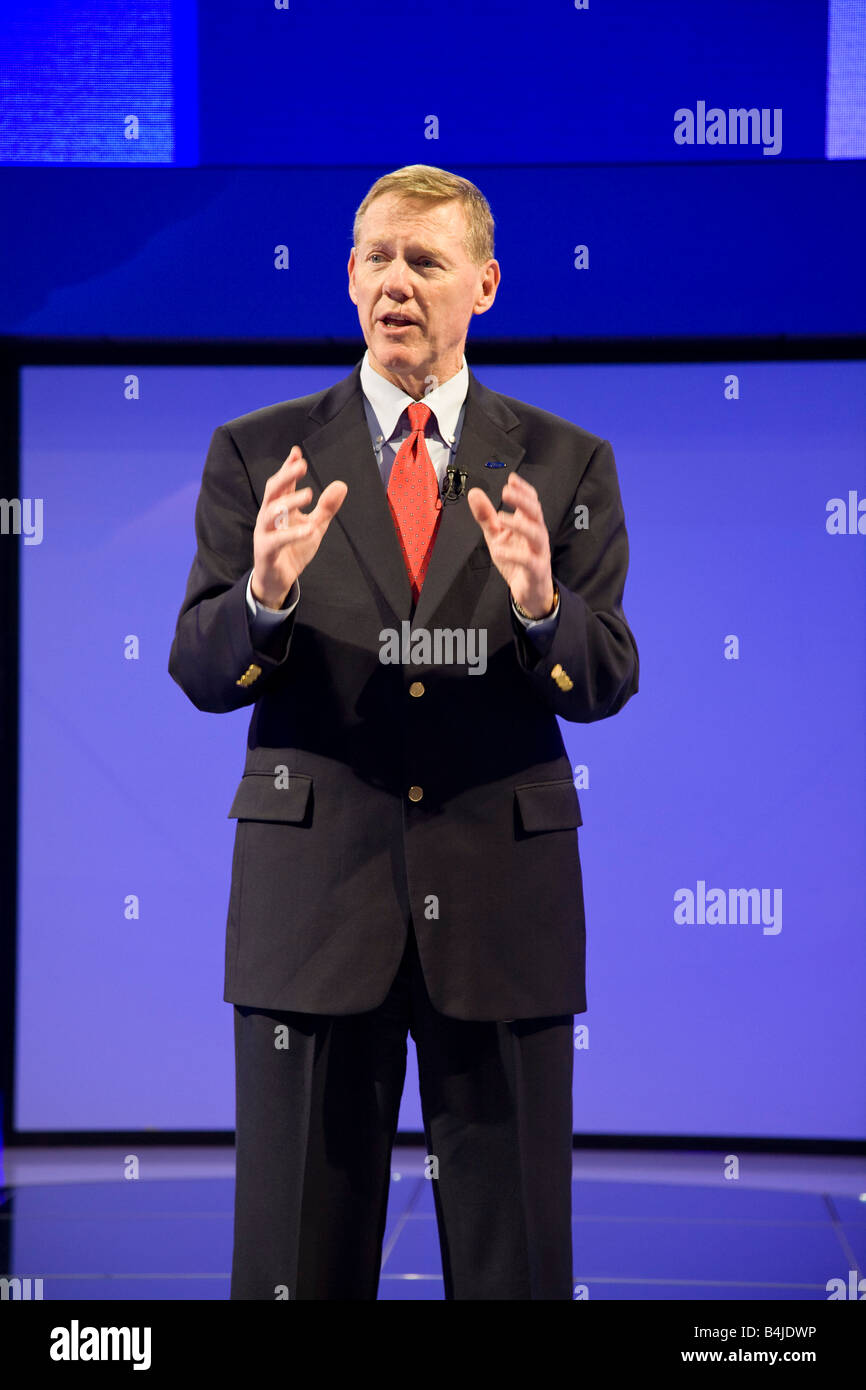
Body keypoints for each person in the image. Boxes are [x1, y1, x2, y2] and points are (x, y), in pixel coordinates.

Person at [168, 164, 639, 1300]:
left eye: (424, 261)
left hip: (499, 907)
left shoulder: (561, 464)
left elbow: (606, 675)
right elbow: (197, 665)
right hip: (315, 905)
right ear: (345, 278)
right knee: (293, 1263)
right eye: (374, 258)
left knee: (513, 1265)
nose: (395, 282)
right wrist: (265, 598)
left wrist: (540, 609)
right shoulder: (261, 452)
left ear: (482, 285)